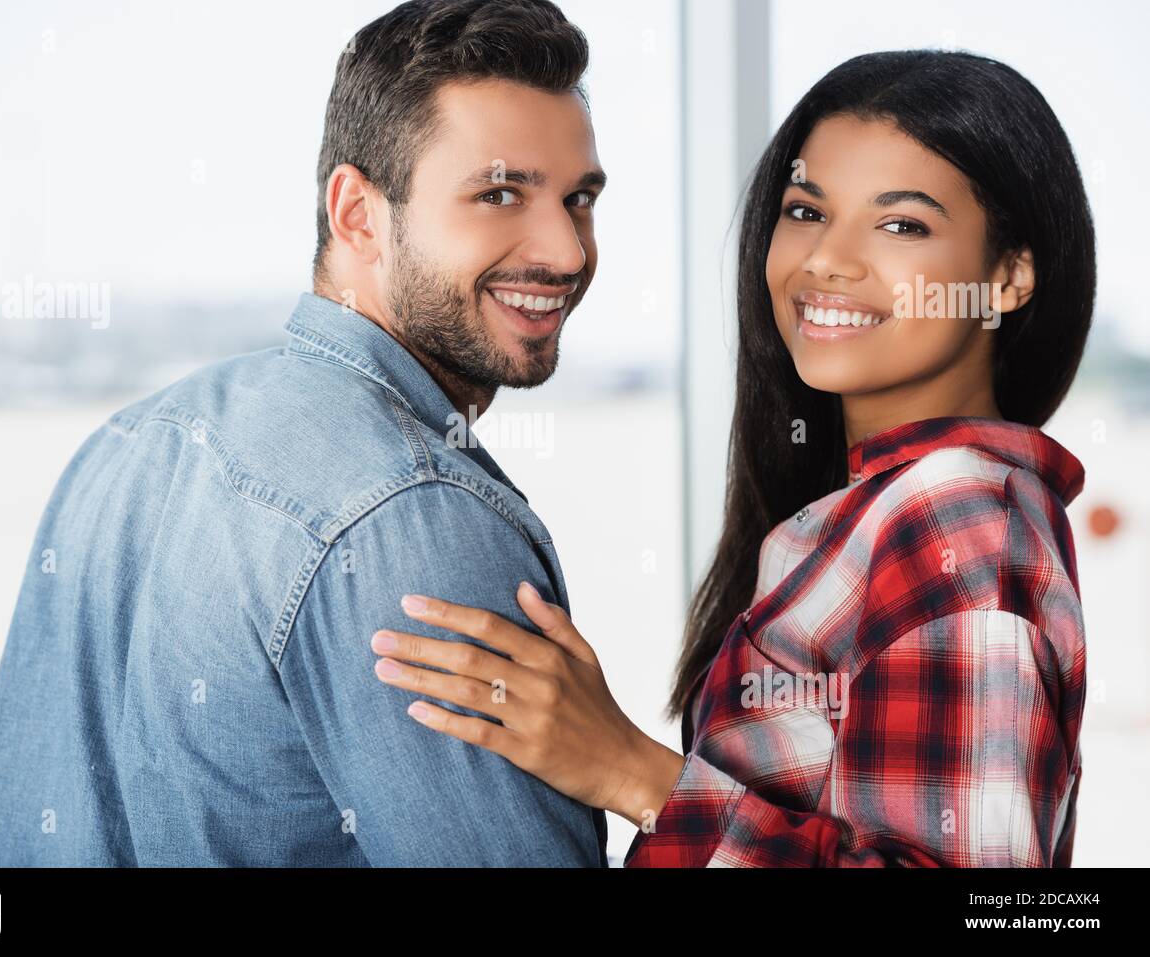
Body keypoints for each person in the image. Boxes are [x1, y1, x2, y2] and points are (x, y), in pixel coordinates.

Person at [371, 50, 1096, 867]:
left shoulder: (958, 527)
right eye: (806, 211)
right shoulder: (878, 506)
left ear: (1010, 275)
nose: (827, 259)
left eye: (901, 225)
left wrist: (627, 767)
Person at [0, 0, 610, 867]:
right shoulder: (417, 522)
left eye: (578, 199)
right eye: (499, 194)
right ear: (359, 214)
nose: (566, 251)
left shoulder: (127, 445)